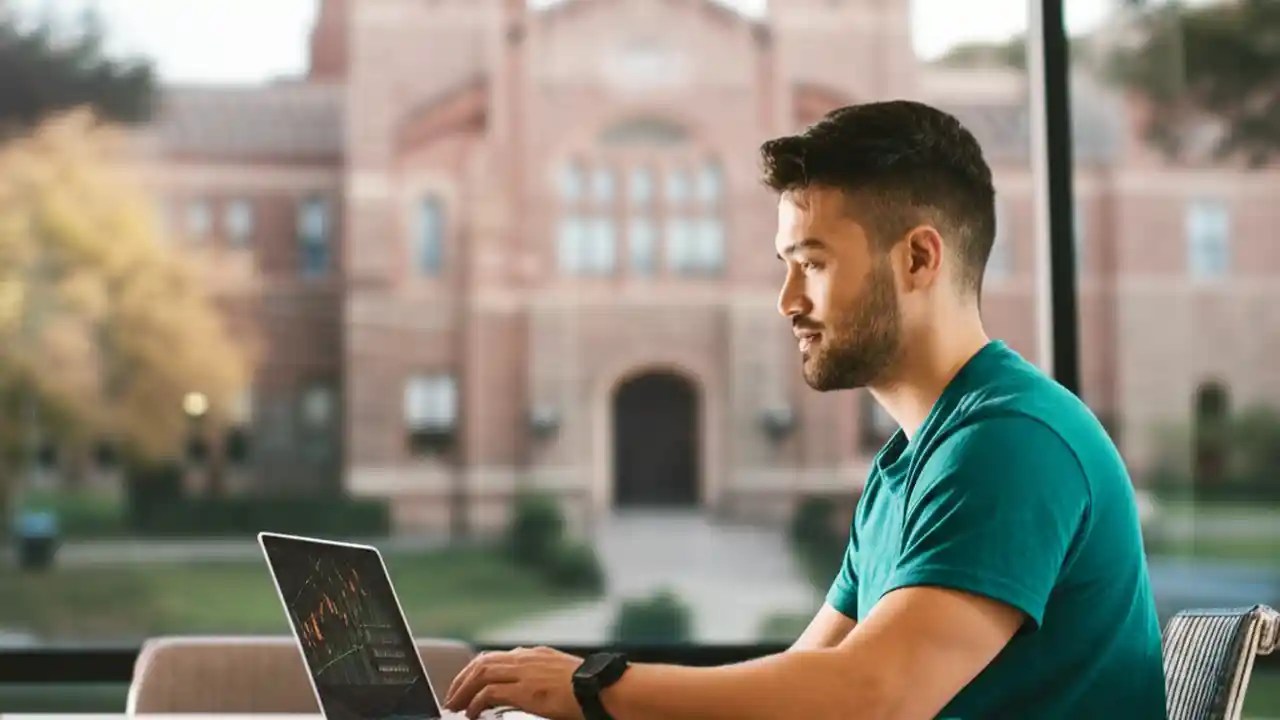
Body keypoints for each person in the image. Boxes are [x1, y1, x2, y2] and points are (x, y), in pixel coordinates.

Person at [444, 100, 1166, 720]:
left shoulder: (1013, 443)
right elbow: (809, 683)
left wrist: (595, 686)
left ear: (918, 260)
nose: (788, 300)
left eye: (814, 263)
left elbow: (867, 696)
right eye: (786, 265)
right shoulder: (908, 465)